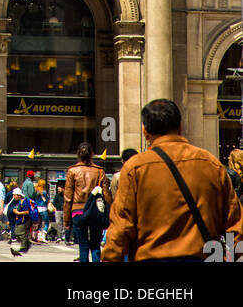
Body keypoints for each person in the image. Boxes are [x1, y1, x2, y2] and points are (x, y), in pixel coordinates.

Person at [103, 98, 243, 262]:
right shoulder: (211, 164)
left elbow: (121, 226)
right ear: (180, 127)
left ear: (145, 131)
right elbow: (235, 224)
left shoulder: (135, 168)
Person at [63, 142, 112, 263]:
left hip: (78, 211)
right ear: (92, 154)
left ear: (78, 154)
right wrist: (109, 213)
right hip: (96, 211)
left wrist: (66, 219)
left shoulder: (72, 171)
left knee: (83, 245)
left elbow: (68, 197)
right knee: (95, 245)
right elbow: (107, 195)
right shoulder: (100, 171)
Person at [8, 187, 32, 257]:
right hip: (19, 220)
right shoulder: (19, 201)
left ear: (19, 195)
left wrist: (18, 213)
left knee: (21, 233)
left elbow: (27, 211)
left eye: (14, 195)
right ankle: (25, 245)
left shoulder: (24, 201)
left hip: (24, 220)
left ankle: (24, 246)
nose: (13, 197)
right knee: (18, 233)